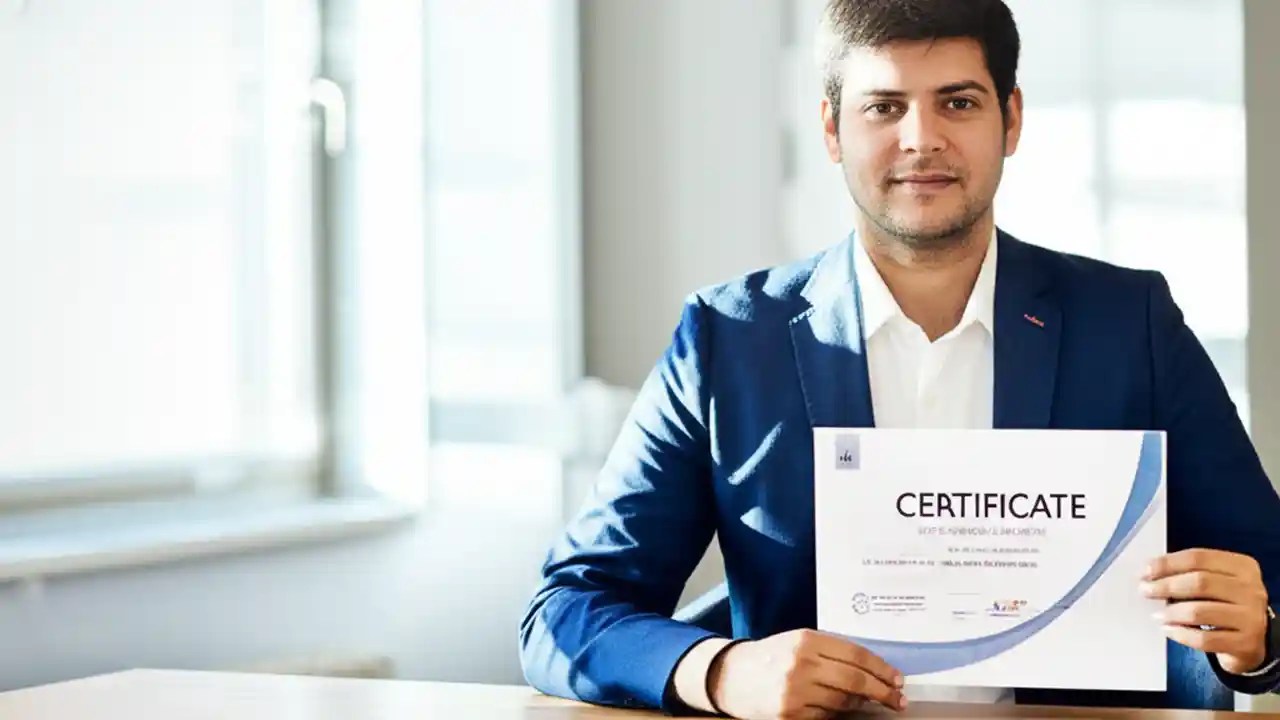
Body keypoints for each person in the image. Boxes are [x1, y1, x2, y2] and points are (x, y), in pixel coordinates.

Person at [518, 1, 1280, 717]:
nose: (921, 138)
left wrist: (1260, 639)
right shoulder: (728, 338)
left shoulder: (1129, 323)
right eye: (884, 107)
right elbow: (566, 611)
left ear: (1010, 119)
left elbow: (1268, 576)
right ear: (831, 130)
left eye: (958, 102)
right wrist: (720, 671)